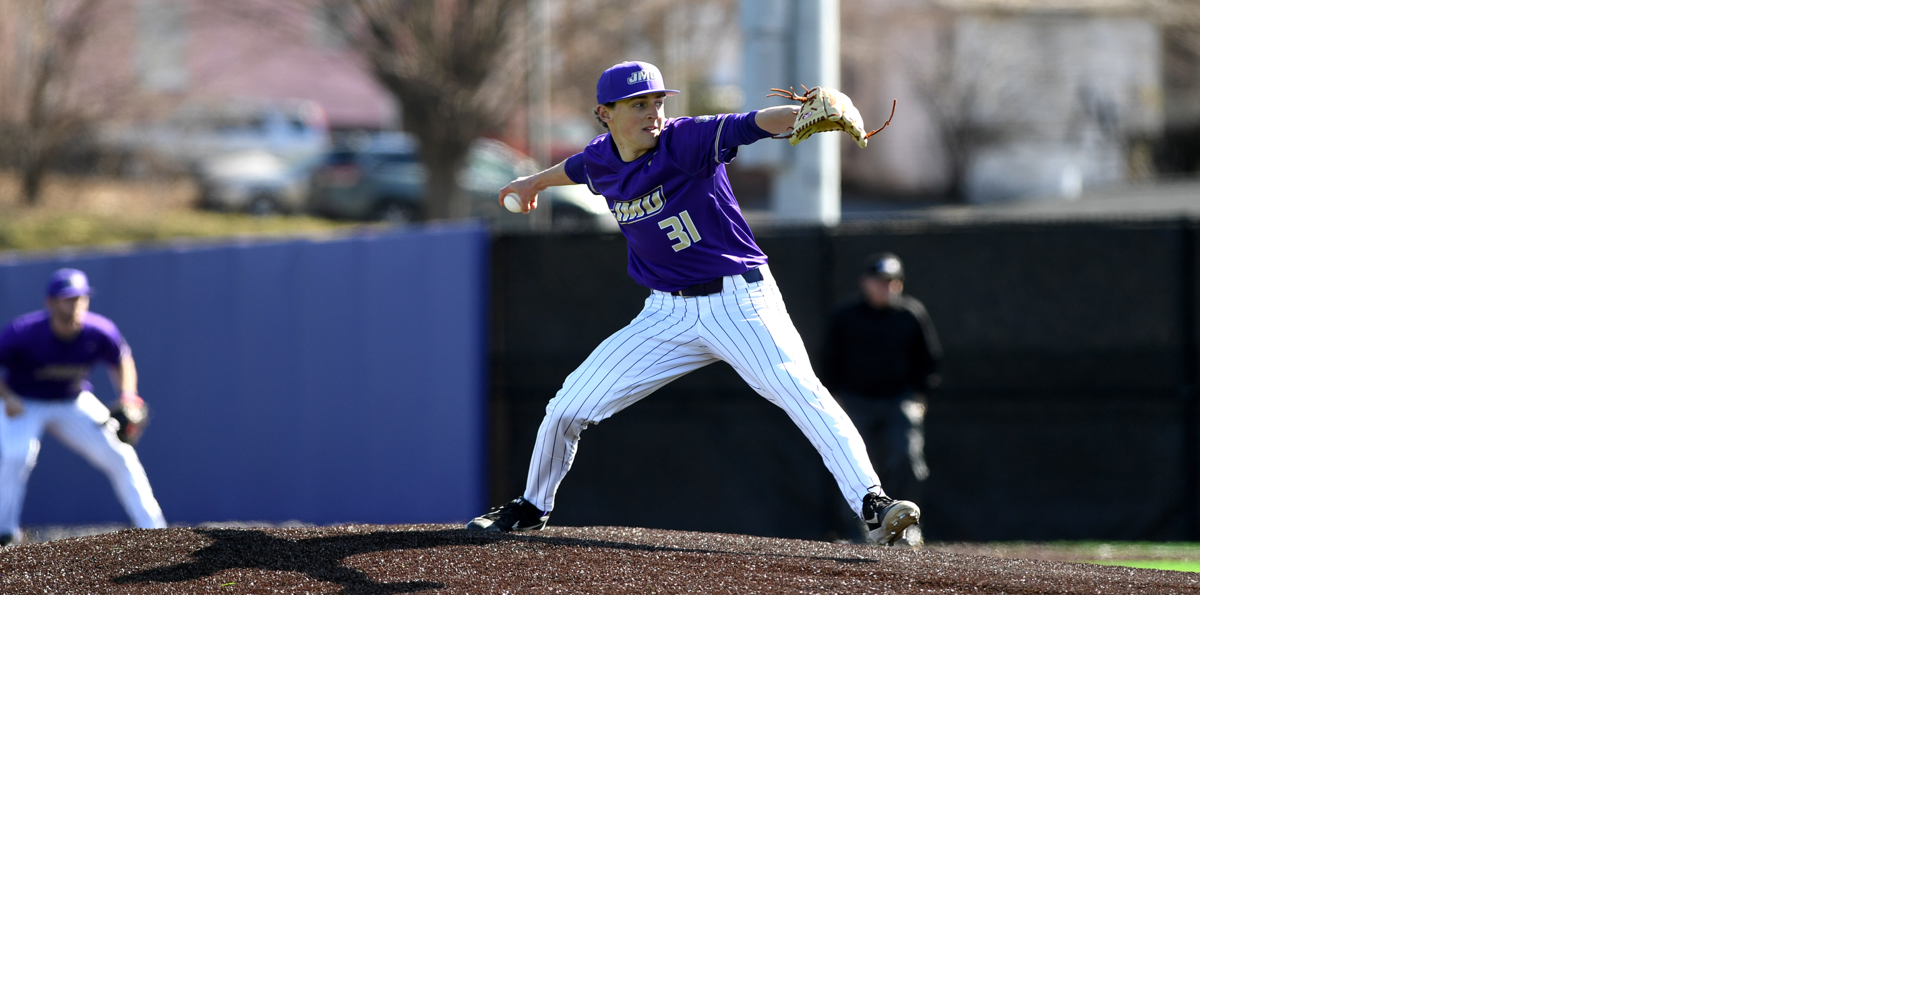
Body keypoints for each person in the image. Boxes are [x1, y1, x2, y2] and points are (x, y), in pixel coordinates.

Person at [467, 61, 920, 546]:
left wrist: (795, 114)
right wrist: (533, 182)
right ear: (605, 114)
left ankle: (873, 502)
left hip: (740, 303)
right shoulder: (601, 158)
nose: (653, 112)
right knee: (565, 409)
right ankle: (532, 506)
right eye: (638, 104)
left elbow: (749, 124)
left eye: (657, 102)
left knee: (801, 394)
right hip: (667, 314)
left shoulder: (685, 140)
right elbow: (577, 168)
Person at [0, 269, 167, 545]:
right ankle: (5, 534)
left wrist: (128, 396)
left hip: (72, 400)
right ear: (51, 302)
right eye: (68, 299)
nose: (76, 304)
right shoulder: (24, 332)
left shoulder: (98, 330)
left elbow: (122, 359)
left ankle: (156, 532)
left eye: (81, 298)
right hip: (24, 401)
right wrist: (7, 396)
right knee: (17, 456)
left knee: (121, 454)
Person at [821, 253, 940, 534]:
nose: (885, 287)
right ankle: (862, 532)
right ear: (865, 282)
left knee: (907, 457)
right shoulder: (846, 315)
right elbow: (829, 359)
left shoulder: (910, 314)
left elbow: (929, 360)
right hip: (854, 401)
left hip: (899, 401)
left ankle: (906, 527)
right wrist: (835, 398)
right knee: (852, 462)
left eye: (891, 281)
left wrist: (919, 399)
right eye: (879, 280)